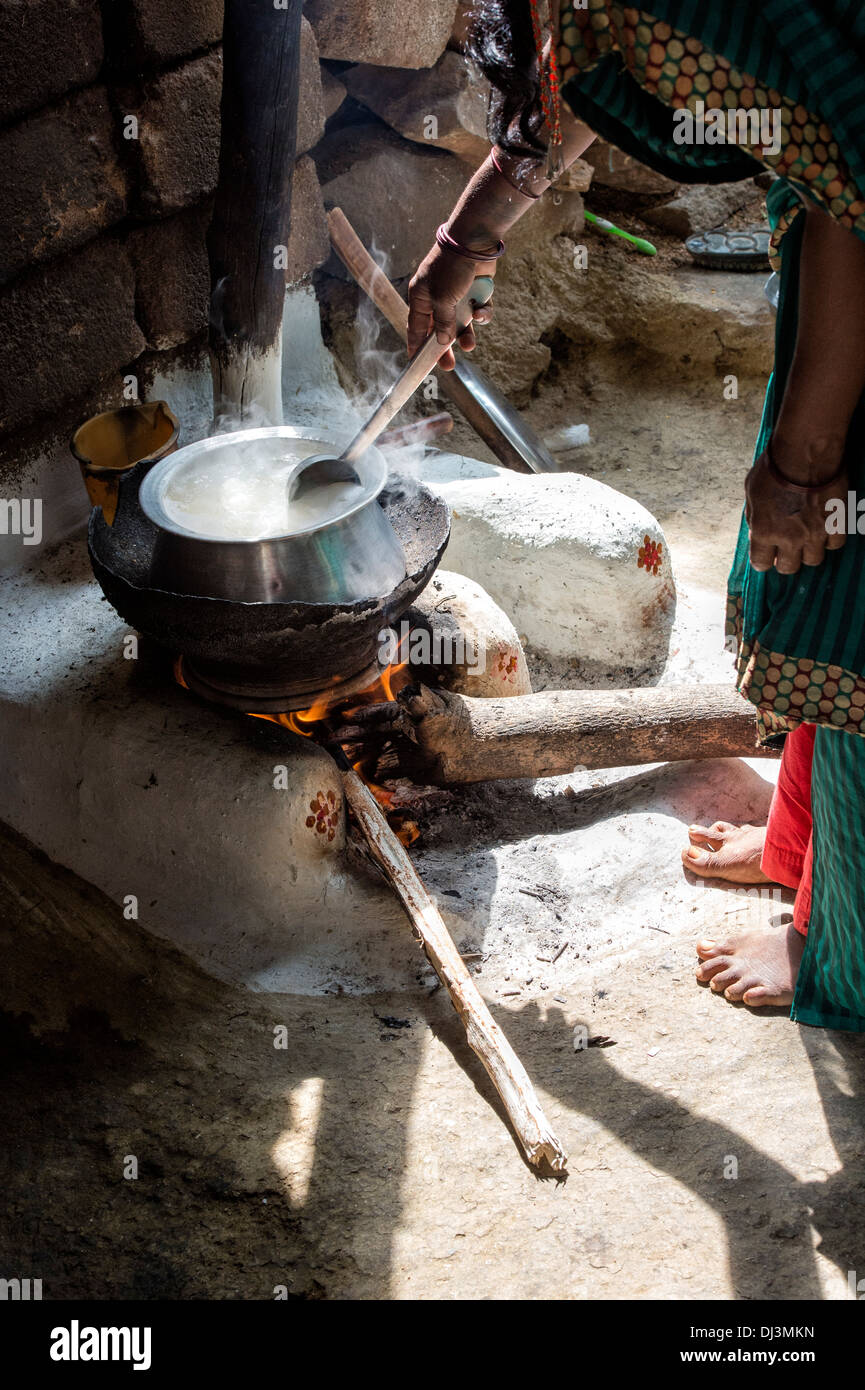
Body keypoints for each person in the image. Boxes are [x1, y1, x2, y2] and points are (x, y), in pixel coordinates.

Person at [407, 1, 865, 1030]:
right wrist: (467, 239)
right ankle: (803, 850)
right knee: (820, 610)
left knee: (850, 613)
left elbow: (849, 180)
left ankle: (833, 945)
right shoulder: (611, 13)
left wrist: (803, 463)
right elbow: (584, 79)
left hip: (858, 243)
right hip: (844, 244)